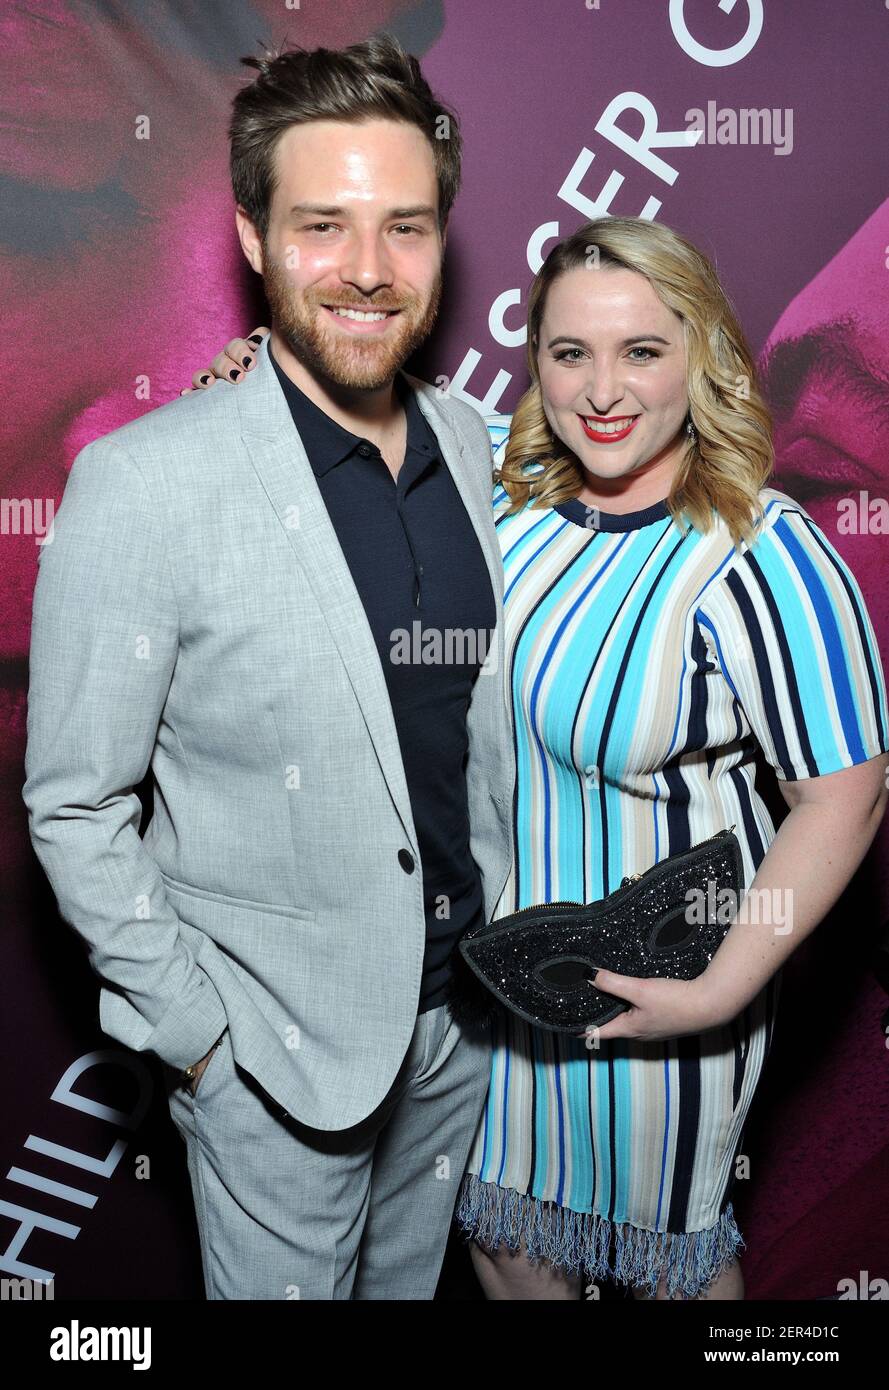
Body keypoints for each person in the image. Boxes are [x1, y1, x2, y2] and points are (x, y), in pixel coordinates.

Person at [200, 215, 889, 1300]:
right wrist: (266, 381)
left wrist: (722, 987)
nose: (602, 390)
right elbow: (373, 446)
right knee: (507, 1244)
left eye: (641, 351)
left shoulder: (762, 551)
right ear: (540, 367)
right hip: (498, 988)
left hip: (665, 990)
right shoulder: (512, 513)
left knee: (664, 1266)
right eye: (571, 354)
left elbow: (846, 795)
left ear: (699, 354)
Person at [23, 36, 514, 1300]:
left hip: (465, 1029)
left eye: (404, 227)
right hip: (273, 1067)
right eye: (322, 225)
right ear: (252, 240)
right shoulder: (145, 483)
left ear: (443, 241)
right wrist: (200, 1042)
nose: (365, 270)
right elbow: (75, 799)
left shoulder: (480, 446)